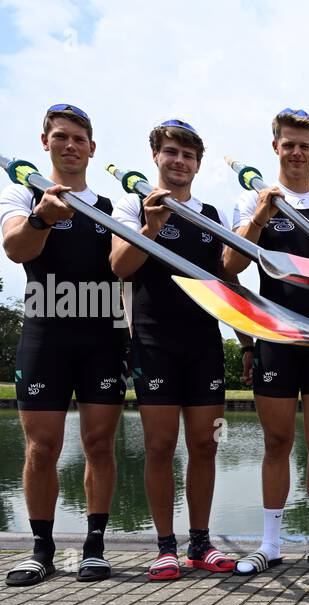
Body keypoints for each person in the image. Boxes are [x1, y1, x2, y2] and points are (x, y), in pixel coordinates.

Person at [223, 109, 309, 574]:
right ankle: (271, 544)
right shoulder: (251, 201)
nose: (296, 152)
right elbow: (231, 266)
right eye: (288, 144)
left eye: (304, 145)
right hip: (276, 337)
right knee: (276, 442)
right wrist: (261, 214)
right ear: (275, 148)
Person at [0, 103, 126, 586]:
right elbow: (15, 249)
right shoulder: (23, 193)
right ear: (45, 142)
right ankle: (41, 549)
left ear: (92, 149)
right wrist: (41, 220)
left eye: (79, 139)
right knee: (41, 446)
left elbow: (122, 269)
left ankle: (94, 546)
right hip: (45, 334)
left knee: (98, 443)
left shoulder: (110, 209)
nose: (70, 145)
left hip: (102, 336)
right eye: (61, 137)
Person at [110, 118, 236, 581]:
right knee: (162, 446)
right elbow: (120, 267)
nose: (179, 161)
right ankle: (165, 547)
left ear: (198, 164)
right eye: (171, 152)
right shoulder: (131, 206)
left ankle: (200, 543)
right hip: (153, 342)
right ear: (156, 158)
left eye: (187, 155)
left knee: (206, 445)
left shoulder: (210, 215)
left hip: (203, 342)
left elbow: (229, 275)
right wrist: (151, 225)